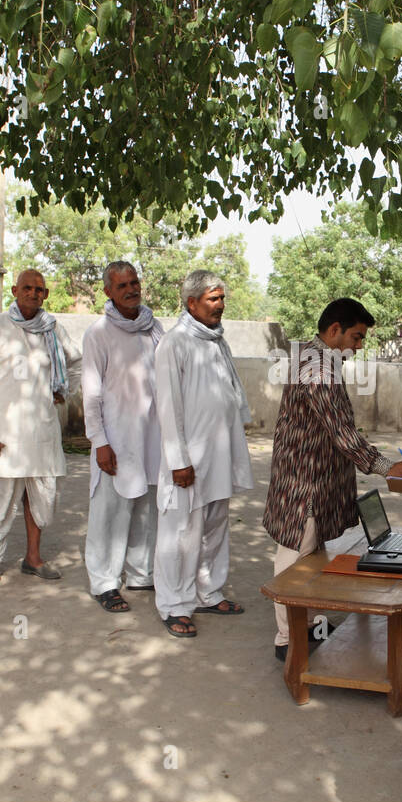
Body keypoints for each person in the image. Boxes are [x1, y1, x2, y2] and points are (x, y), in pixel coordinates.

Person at [263, 298, 402, 661]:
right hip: (303, 483)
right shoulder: (316, 367)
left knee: (314, 556)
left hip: (316, 479)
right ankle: (289, 639)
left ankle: (313, 625)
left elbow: (339, 430)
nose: (359, 346)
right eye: (356, 336)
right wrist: (386, 466)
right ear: (334, 330)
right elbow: (343, 434)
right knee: (295, 557)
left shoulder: (320, 361)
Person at [152, 270, 253, 638]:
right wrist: (178, 461)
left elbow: (230, 391)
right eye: (213, 299)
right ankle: (174, 605)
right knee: (181, 532)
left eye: (222, 298)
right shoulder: (174, 343)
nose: (220, 306)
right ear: (192, 302)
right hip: (189, 461)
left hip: (219, 455)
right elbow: (168, 407)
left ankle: (208, 592)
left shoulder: (216, 342)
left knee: (214, 526)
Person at [0, 269, 80, 594]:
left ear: (45, 295)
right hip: (1, 436)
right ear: (15, 290)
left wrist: (64, 391)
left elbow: (75, 362)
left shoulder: (53, 329)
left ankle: (33, 558)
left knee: (40, 499)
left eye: (39, 289)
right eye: (27, 288)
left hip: (41, 431)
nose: (33, 293)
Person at [82, 261, 164, 613]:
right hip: (115, 438)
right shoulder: (98, 333)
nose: (131, 289)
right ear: (108, 292)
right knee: (110, 512)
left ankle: (140, 573)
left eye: (134, 282)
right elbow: (90, 393)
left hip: (151, 436)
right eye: (122, 286)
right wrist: (99, 441)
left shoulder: (154, 327)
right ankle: (104, 582)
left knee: (146, 508)